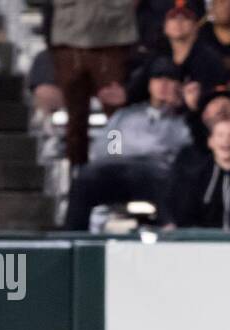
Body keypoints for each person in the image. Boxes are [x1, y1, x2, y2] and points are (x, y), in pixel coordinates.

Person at [63, 58, 192, 231]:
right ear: (149, 84)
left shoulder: (181, 121)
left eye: (169, 80)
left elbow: (180, 152)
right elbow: (108, 149)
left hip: (156, 174)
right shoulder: (126, 115)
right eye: (157, 79)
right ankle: (73, 235)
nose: (163, 85)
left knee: (156, 179)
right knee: (84, 179)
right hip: (117, 170)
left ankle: (170, 227)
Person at [50, 0, 137, 167]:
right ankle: (75, 172)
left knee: (116, 117)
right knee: (75, 117)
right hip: (69, 38)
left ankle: (115, 163)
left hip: (113, 37)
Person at [125, 2, 224, 108]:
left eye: (186, 18)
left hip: (195, 116)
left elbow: (217, 95)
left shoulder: (209, 58)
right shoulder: (156, 57)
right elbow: (136, 90)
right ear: (165, 27)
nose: (178, 22)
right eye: (172, 18)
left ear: (196, 26)